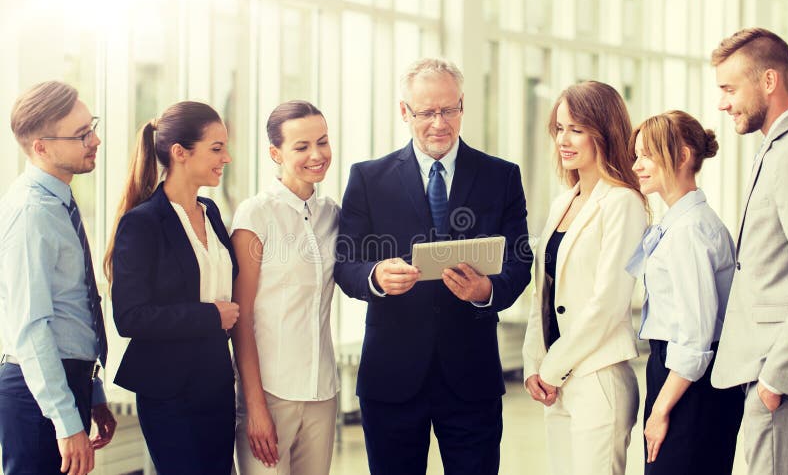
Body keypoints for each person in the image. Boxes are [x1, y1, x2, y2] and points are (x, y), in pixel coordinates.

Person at [334, 58, 532, 474]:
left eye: (449, 109)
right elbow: (346, 262)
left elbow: (519, 258)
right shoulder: (369, 179)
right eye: (426, 112)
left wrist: (488, 292)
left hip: (471, 377)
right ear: (405, 112)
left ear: (462, 105)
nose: (439, 123)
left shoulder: (501, 176)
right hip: (392, 377)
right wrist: (375, 277)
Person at [104, 101, 239, 474]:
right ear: (180, 153)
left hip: (215, 383)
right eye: (216, 149)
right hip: (170, 391)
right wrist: (211, 314)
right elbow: (130, 317)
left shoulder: (211, 212)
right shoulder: (142, 223)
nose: (226, 158)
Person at [521, 81, 647, 475]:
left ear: (604, 131)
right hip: (556, 379)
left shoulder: (624, 202)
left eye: (576, 129)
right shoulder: (565, 200)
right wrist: (532, 363)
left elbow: (608, 305)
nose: (564, 139)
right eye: (559, 128)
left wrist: (551, 367)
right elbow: (544, 291)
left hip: (598, 378)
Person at [0, 81, 116, 475]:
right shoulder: (32, 213)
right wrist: (66, 423)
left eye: (91, 126)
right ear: (42, 148)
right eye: (81, 134)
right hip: (38, 397)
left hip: (66, 384)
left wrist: (92, 392)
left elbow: (71, 311)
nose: (95, 139)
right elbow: (31, 329)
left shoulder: (58, 201)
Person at [626, 111, 744, 474]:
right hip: (681, 375)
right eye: (636, 155)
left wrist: (660, 411)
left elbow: (695, 339)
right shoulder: (681, 222)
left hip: (690, 383)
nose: (637, 166)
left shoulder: (690, 231)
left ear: (682, 156)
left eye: (647, 155)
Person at [230, 100, 339, 475]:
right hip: (271, 394)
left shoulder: (333, 215)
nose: (317, 154)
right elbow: (240, 319)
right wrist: (255, 405)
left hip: (323, 392)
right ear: (275, 153)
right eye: (302, 146)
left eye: (322, 142)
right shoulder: (255, 214)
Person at [710, 27, 788, 475]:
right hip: (766, 373)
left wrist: (774, 378)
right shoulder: (775, 148)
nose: (722, 103)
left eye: (729, 88)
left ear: (768, 81)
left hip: (780, 378)